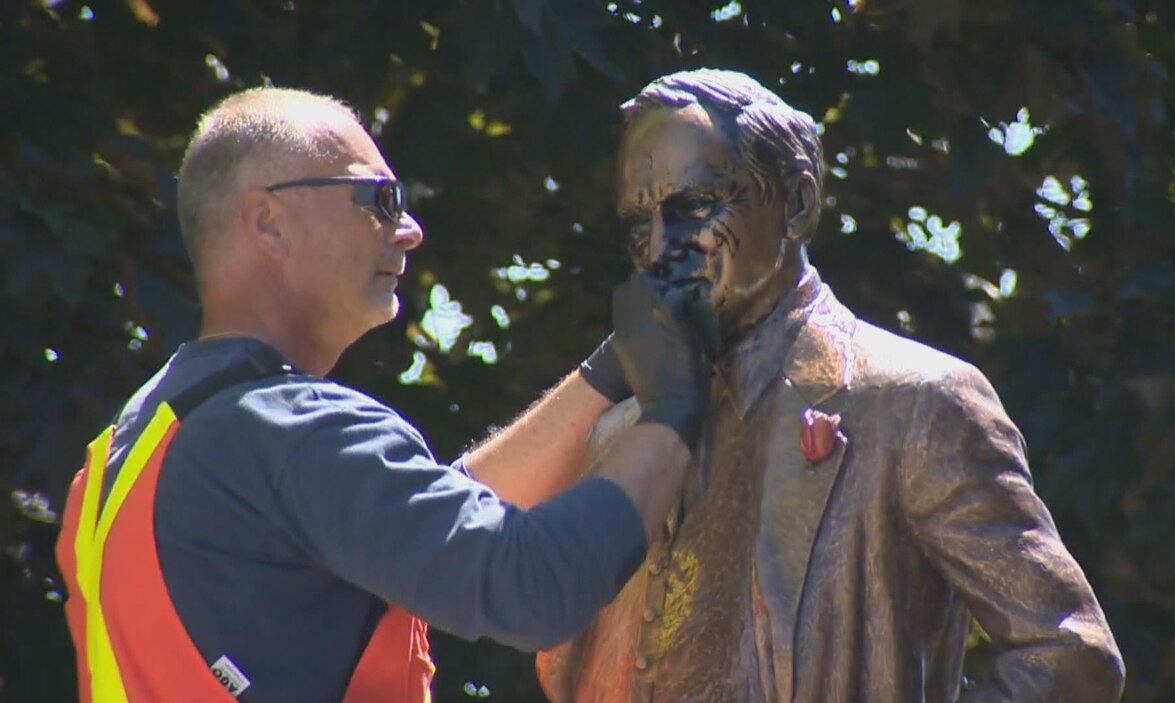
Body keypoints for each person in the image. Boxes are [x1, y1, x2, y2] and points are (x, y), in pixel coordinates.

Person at [53, 86, 713, 702]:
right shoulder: (289, 430)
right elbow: (534, 583)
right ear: (269, 222)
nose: (410, 229)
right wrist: (672, 411)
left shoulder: (124, 456)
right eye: (380, 199)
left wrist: (611, 370)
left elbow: (440, 524)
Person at [537, 69, 1126, 702]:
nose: (659, 250)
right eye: (638, 224)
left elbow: (1068, 654)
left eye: (694, 207)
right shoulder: (615, 437)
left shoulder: (915, 405)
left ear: (797, 203)